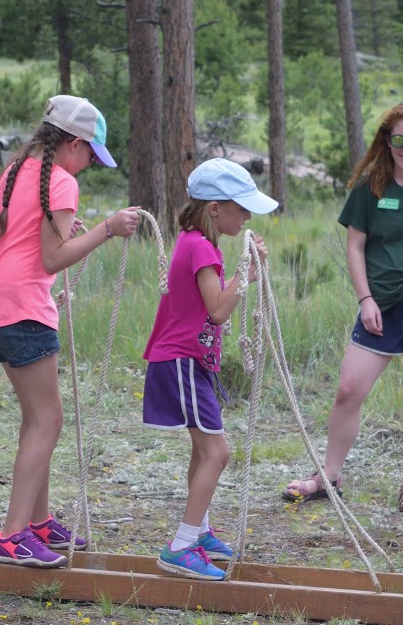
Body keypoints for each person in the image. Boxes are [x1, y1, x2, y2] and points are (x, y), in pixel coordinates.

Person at [0, 95, 141, 568]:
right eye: (91, 155)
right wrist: (106, 229)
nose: (91, 164)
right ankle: (12, 536)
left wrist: (66, 233)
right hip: (23, 308)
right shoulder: (62, 182)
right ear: (73, 143)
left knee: (36, 419)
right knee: (47, 420)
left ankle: (37, 521)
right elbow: (52, 259)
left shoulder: (15, 171)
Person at [282, 101, 403, 511]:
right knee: (349, 389)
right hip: (380, 302)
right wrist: (365, 298)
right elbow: (354, 247)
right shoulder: (371, 189)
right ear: (387, 141)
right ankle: (329, 477)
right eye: (399, 140)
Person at [144, 158, 275, 580]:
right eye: (241, 208)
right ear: (214, 208)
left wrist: (244, 273)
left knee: (204, 450)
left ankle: (198, 531)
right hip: (182, 360)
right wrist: (246, 274)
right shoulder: (201, 247)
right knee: (217, 452)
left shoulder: (197, 241)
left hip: (188, 360)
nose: (247, 217)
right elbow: (218, 310)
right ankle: (181, 545)